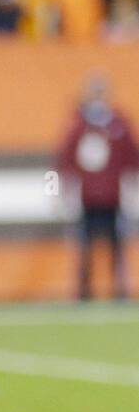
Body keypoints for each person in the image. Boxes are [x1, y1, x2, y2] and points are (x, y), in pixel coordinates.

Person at [56, 75, 139, 300]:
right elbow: (63, 161)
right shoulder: (77, 125)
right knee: (84, 248)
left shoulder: (119, 124)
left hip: (113, 197)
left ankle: (120, 291)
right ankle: (84, 292)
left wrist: (132, 190)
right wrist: (58, 193)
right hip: (86, 198)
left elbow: (132, 158)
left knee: (116, 248)